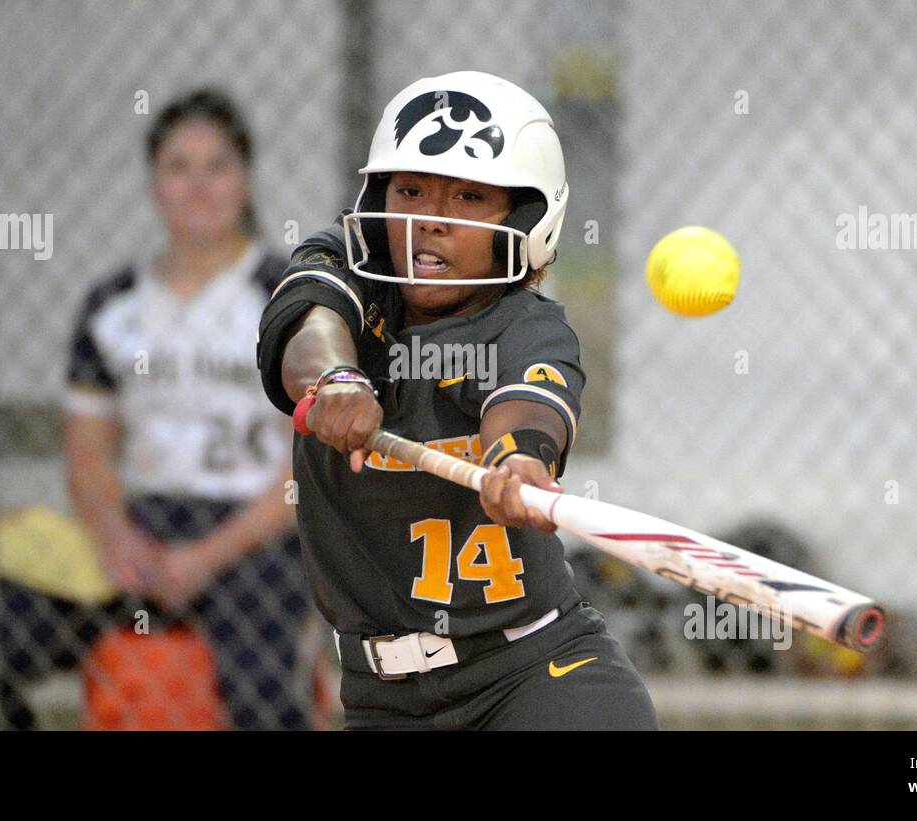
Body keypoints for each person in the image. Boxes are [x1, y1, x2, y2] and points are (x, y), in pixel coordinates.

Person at [256, 71, 659, 729]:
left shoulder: (528, 326)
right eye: (410, 191)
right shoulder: (344, 268)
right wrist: (337, 380)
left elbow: (529, 407)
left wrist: (521, 462)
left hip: (535, 675)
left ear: (525, 221)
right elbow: (307, 326)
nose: (430, 221)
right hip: (379, 697)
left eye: (468, 197)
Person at [63, 88, 310, 730]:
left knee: (255, 681)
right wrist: (117, 539)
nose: (199, 186)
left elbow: (310, 468)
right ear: (153, 183)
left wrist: (205, 558)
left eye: (218, 166)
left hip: (256, 526)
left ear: (246, 179)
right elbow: (85, 455)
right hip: (145, 519)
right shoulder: (113, 303)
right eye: (179, 167)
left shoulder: (285, 298)